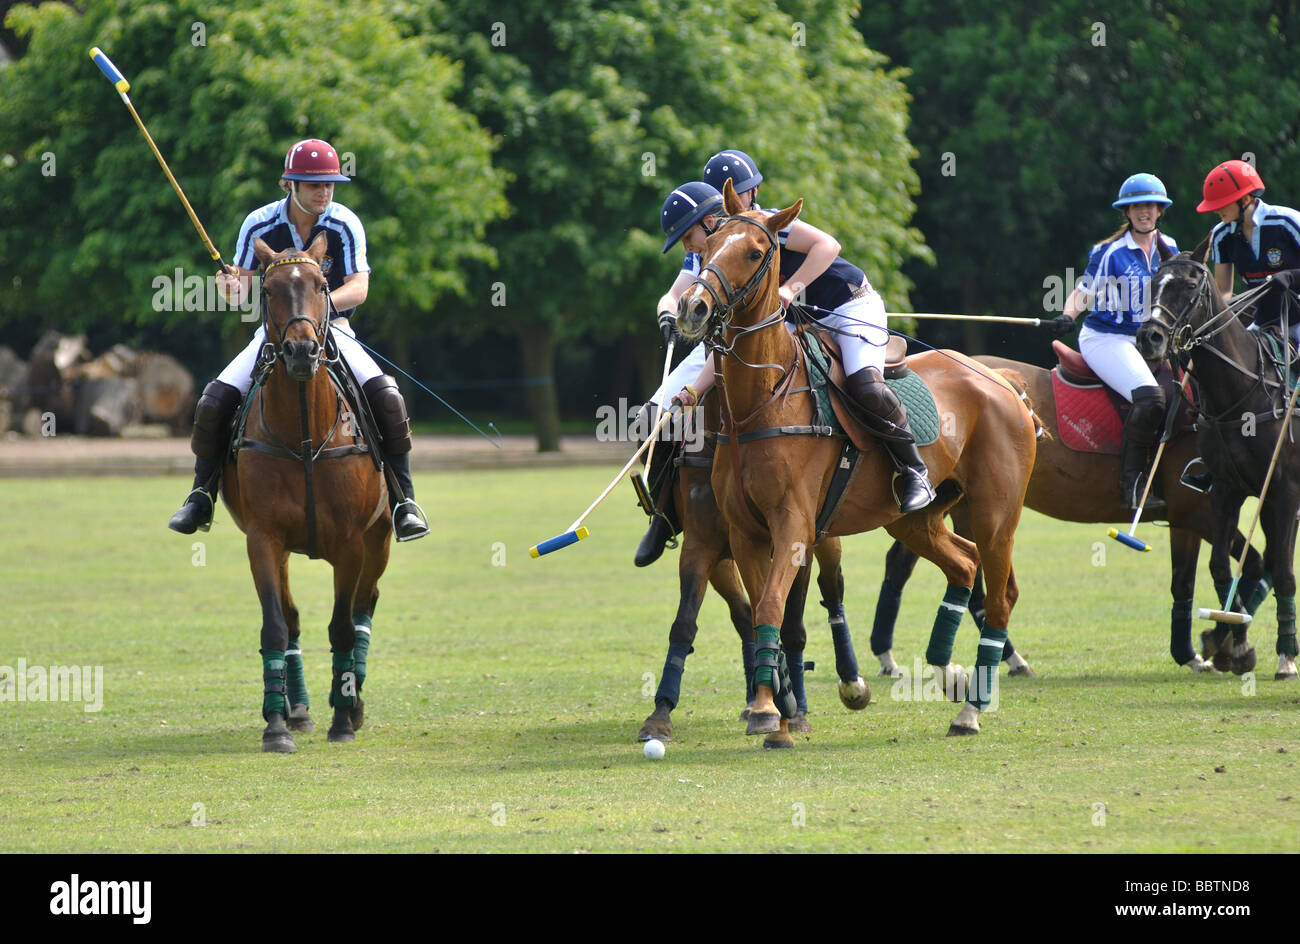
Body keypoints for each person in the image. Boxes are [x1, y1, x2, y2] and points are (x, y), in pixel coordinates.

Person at [167, 138, 430, 542]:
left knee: (387, 395)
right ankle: (201, 494)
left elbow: (358, 288)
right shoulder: (259, 224)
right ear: (288, 185)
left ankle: (403, 502)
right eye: (313, 184)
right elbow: (242, 290)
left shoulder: (344, 224)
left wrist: (312, 312)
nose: (324, 192)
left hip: (334, 330)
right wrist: (227, 286)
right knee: (215, 399)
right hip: (275, 335)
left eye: (329, 184)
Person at [672, 149, 937, 516]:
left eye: (737, 196)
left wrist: (790, 288)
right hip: (800, 319)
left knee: (864, 384)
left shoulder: (771, 222)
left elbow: (828, 245)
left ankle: (914, 471)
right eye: (720, 205)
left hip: (848, 306)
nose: (727, 211)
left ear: (753, 192)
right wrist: (693, 390)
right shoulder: (730, 244)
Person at [1057, 173, 1178, 510]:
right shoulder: (1109, 252)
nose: (1144, 212)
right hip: (1107, 339)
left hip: (1152, 343)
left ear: (1159, 211)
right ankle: (1133, 485)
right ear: (1126, 212)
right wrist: (1067, 316)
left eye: (1150, 206)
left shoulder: (1171, 250)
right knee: (1150, 397)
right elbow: (1084, 292)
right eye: (1136, 206)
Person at [633, 179, 726, 566]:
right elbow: (673, 294)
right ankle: (666, 516)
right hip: (712, 347)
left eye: (687, 236)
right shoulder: (698, 253)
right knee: (646, 424)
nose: (687, 247)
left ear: (708, 222)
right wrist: (667, 315)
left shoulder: (745, 237)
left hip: (755, 344)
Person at [1198, 159, 1300, 350]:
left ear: (1245, 199)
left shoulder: (1286, 221)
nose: (1217, 209)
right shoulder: (1222, 235)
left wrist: (1291, 276)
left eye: (1223, 204)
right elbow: (1223, 291)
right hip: (1264, 321)